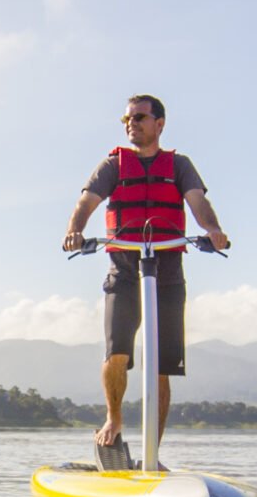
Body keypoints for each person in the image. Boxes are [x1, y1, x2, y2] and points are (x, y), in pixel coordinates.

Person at [61, 95, 230, 450]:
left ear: (159, 124)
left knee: (160, 366)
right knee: (116, 353)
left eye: (139, 117)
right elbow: (86, 202)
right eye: (126, 119)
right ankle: (114, 418)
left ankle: (153, 451)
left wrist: (213, 230)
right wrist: (74, 231)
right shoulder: (113, 166)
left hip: (167, 270)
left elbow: (198, 201)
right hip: (124, 269)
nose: (131, 124)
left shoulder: (180, 165)